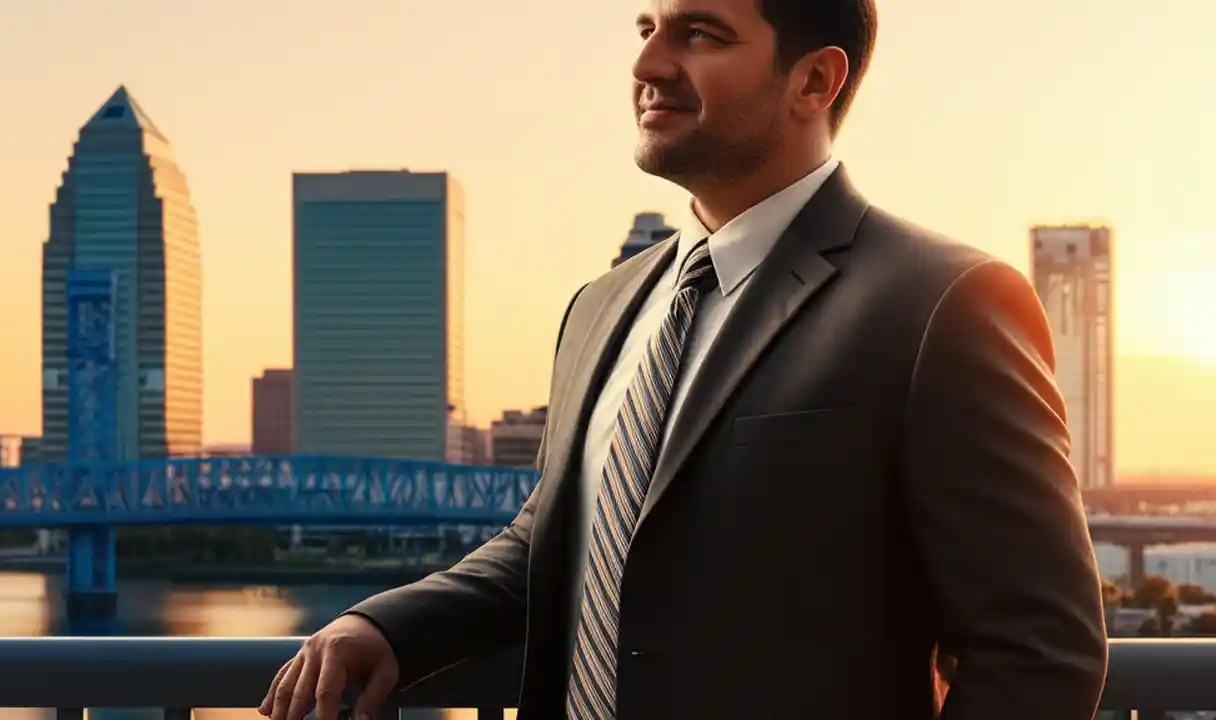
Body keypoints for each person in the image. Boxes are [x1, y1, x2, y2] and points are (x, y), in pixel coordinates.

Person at [258, 0, 1109, 717]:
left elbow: (1040, 648)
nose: (649, 65)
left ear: (815, 81)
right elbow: (556, 543)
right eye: (647, 29)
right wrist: (387, 626)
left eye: (700, 34)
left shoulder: (942, 302)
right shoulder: (599, 307)